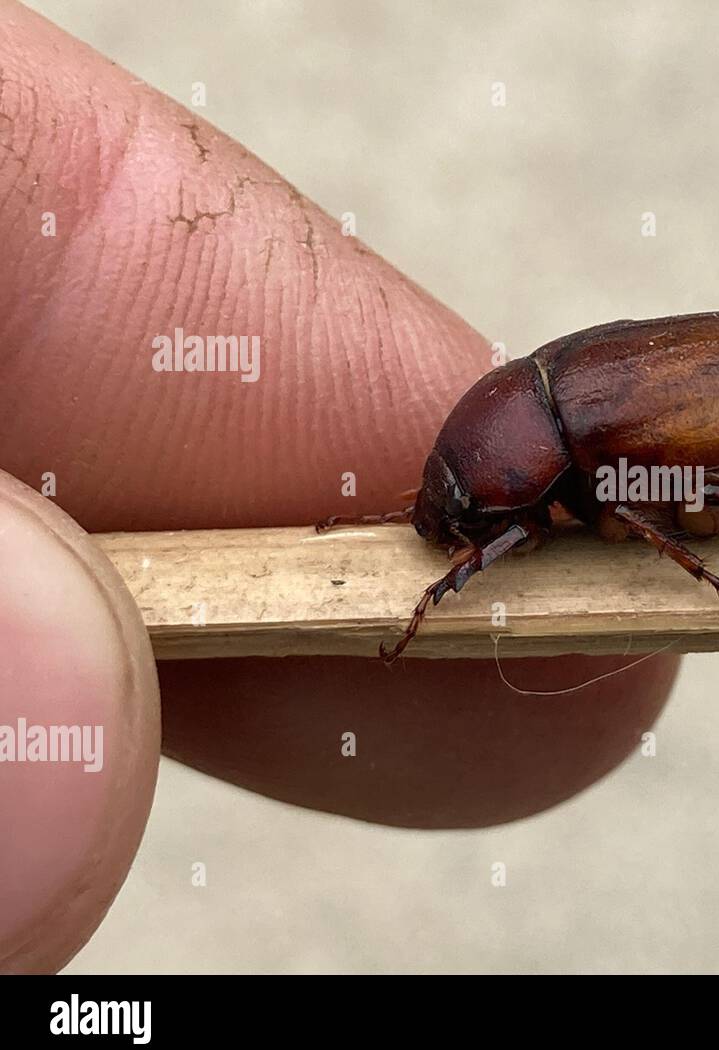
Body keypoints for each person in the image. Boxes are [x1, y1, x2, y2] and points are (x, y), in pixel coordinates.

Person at [0, 2, 678, 973]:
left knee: (664, 502)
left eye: (459, 508)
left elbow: (526, 526)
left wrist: (437, 595)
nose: (454, 523)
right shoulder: (540, 450)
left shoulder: (575, 455)